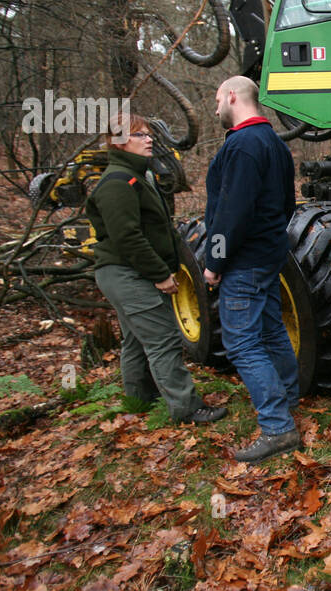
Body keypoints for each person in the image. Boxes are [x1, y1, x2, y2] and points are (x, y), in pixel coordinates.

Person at [86, 114, 226, 425]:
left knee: (136, 340)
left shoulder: (138, 175)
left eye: (148, 135)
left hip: (132, 271)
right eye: (139, 136)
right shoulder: (117, 182)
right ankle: (187, 409)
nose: (149, 140)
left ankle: (139, 401)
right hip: (124, 273)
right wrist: (160, 275)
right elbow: (127, 237)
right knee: (163, 337)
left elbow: (157, 229)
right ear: (118, 141)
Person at [204, 76, 300, 463]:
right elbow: (288, 206)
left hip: (244, 260)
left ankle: (278, 427)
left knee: (242, 343)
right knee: (271, 330)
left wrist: (214, 263)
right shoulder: (276, 144)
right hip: (268, 255)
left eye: (216, 100)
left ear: (231, 96)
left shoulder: (243, 145)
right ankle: (288, 399)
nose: (215, 109)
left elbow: (232, 213)